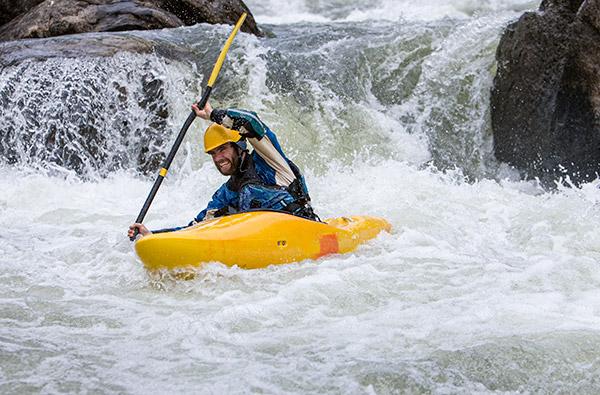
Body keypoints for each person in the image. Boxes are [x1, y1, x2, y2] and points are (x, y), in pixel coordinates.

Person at [128, 102, 318, 238]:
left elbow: (251, 121)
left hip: (306, 233)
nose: (218, 158)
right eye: (212, 154)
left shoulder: (271, 161)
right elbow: (195, 228)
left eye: (222, 149)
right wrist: (152, 235)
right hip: (269, 244)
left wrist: (213, 115)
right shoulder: (227, 194)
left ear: (239, 146)